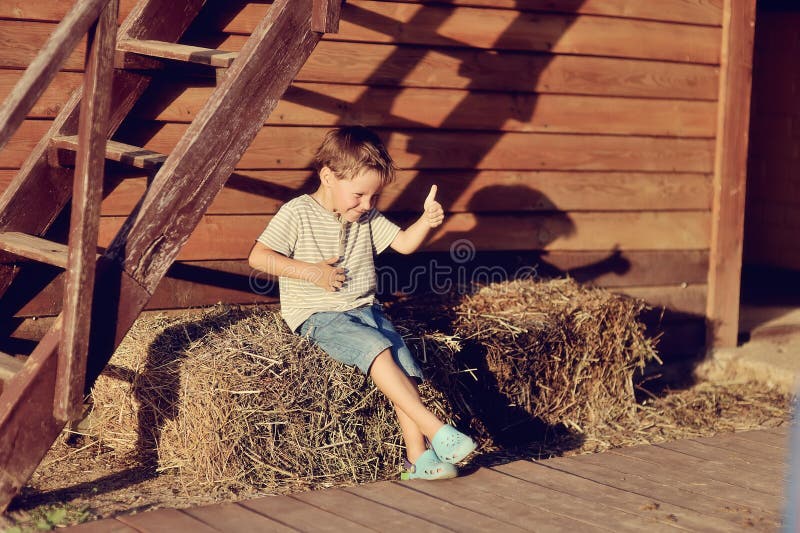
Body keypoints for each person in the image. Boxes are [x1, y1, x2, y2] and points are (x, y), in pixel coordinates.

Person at [248, 126, 476, 480]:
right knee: (376, 348)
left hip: (365, 308)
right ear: (327, 176)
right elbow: (258, 257)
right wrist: (311, 273)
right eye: (358, 195)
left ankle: (417, 458)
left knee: (402, 362)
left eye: (373, 197)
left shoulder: (365, 216)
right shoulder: (298, 213)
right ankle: (437, 431)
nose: (367, 205)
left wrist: (426, 221)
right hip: (319, 314)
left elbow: (403, 244)